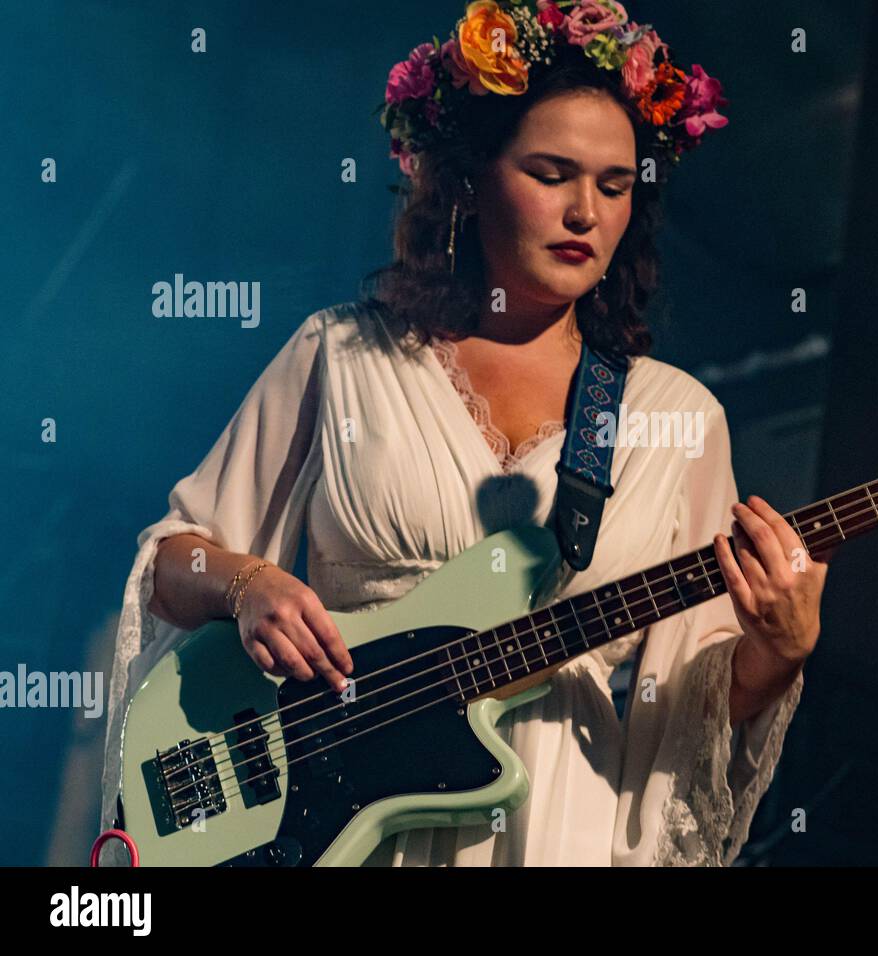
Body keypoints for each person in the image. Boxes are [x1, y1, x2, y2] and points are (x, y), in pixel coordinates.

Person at [101, 0, 831, 866]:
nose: (585, 213)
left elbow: (697, 708)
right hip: (329, 814)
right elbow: (171, 563)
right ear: (470, 178)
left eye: (615, 184)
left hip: (559, 822)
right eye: (552, 172)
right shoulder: (342, 354)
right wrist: (246, 584)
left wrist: (778, 653)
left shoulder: (675, 416)